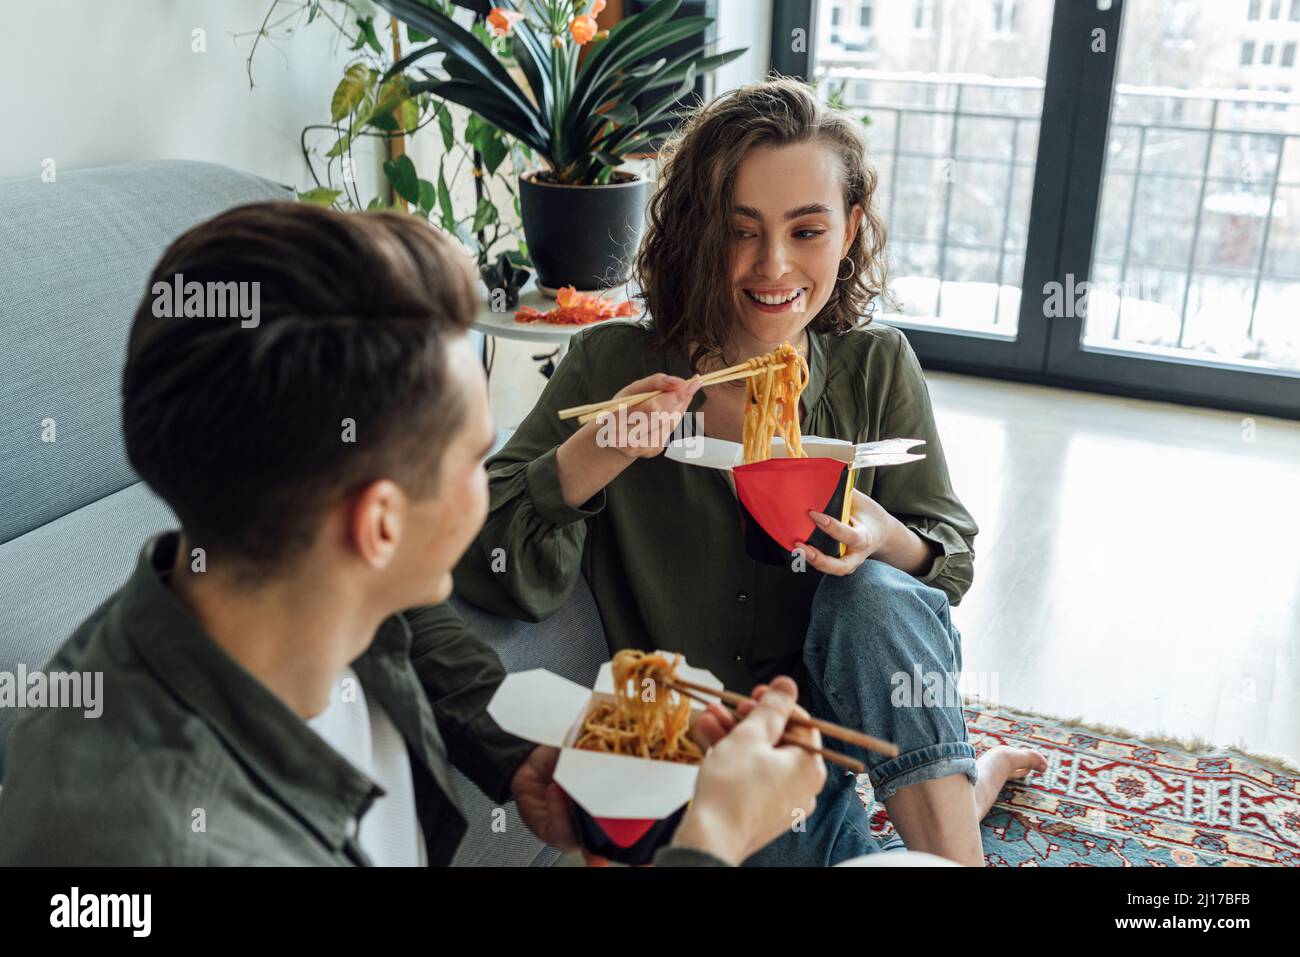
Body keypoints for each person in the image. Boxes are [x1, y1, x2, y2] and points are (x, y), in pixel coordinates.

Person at [0, 202, 826, 866]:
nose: (495, 474)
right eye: (478, 455)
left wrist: (523, 759)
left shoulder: (279, 588)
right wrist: (711, 841)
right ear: (380, 524)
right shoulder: (168, 837)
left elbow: (401, 628)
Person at [454, 77, 1046, 866]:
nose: (774, 266)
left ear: (850, 228)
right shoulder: (615, 362)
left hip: (816, 757)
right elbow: (482, 554)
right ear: (701, 232)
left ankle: (953, 835)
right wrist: (599, 449)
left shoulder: (875, 366)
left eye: (807, 230)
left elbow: (949, 562)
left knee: (875, 596)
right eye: (742, 232)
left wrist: (883, 534)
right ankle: (959, 793)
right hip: (690, 769)